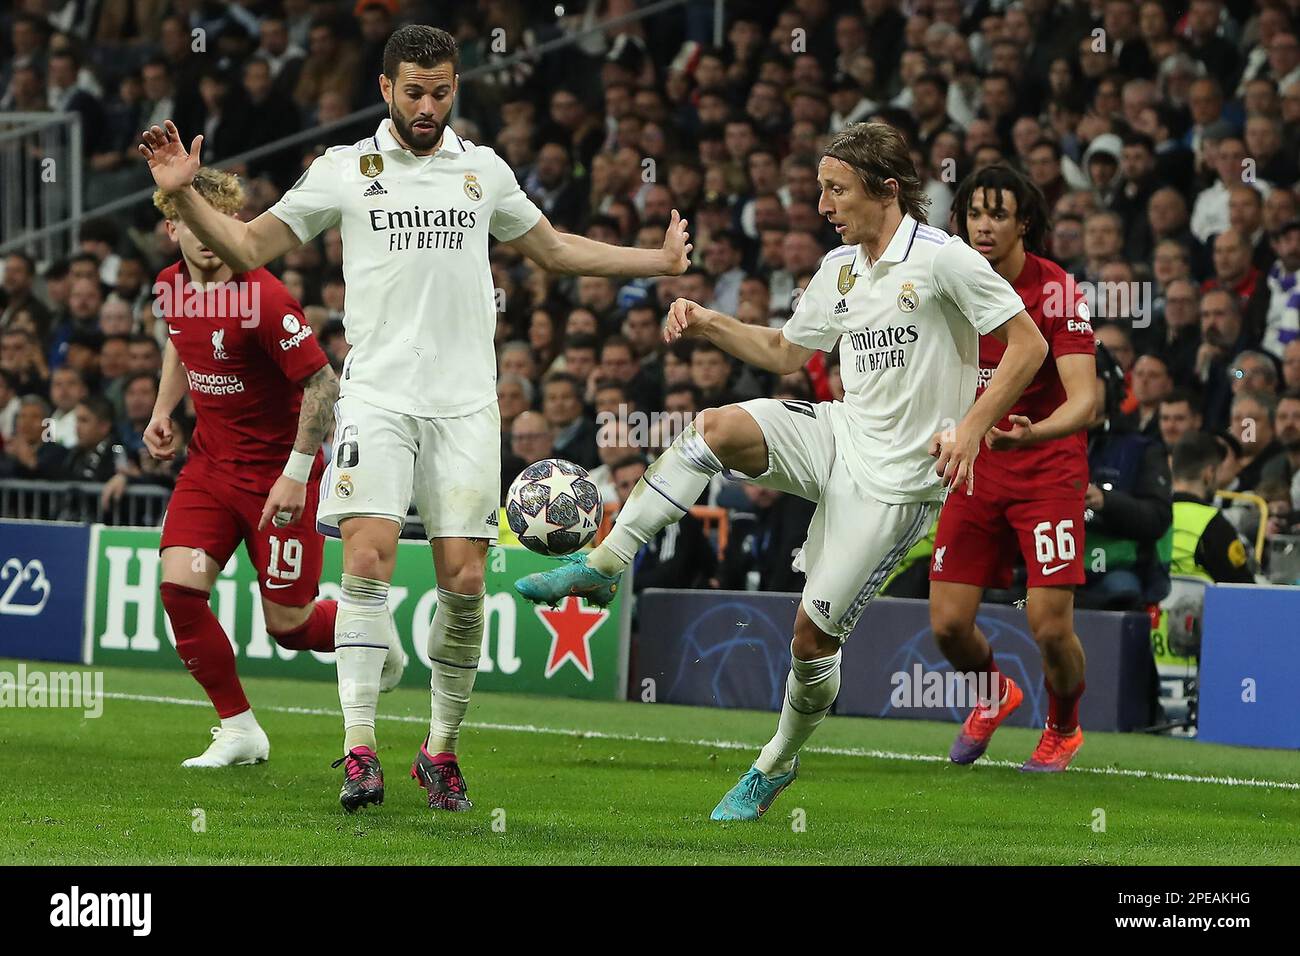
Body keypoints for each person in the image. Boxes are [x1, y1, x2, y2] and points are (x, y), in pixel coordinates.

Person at [140, 24, 689, 813]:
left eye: (441, 91)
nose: (428, 105)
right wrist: (187, 190)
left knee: (464, 580)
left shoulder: (483, 172)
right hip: (377, 398)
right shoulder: (341, 171)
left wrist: (658, 263)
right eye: (414, 91)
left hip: (467, 403)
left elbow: (557, 249)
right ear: (386, 88)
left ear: (455, 87)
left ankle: (440, 751)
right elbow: (251, 245)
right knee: (366, 561)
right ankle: (360, 749)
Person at [516, 121, 1047, 819]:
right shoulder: (841, 269)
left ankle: (776, 762)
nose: (823, 205)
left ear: (886, 190)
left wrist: (972, 428)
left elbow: (1027, 345)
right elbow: (784, 353)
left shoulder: (943, 259)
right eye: (821, 189)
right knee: (716, 427)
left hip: (898, 483)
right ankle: (606, 564)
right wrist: (709, 322)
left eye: (836, 190)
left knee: (810, 638)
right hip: (840, 431)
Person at [143, 167, 375, 768]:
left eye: (217, 222)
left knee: (290, 627)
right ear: (173, 229)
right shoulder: (171, 284)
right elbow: (178, 338)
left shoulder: (265, 297)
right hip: (210, 471)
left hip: (281, 479)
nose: (204, 235)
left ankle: (363, 629)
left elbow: (324, 386)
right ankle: (238, 727)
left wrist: (297, 472)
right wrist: (164, 409)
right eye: (191, 222)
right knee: (179, 590)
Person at [929, 165, 1097, 772]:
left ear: (1023, 222)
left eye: (998, 214)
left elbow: (1086, 401)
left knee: (1050, 625)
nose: (984, 225)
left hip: (1047, 467)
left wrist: (1034, 432)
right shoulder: (949, 280)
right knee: (948, 624)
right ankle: (994, 693)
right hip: (975, 464)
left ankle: (1063, 726)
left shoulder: (1056, 291)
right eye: (975, 213)